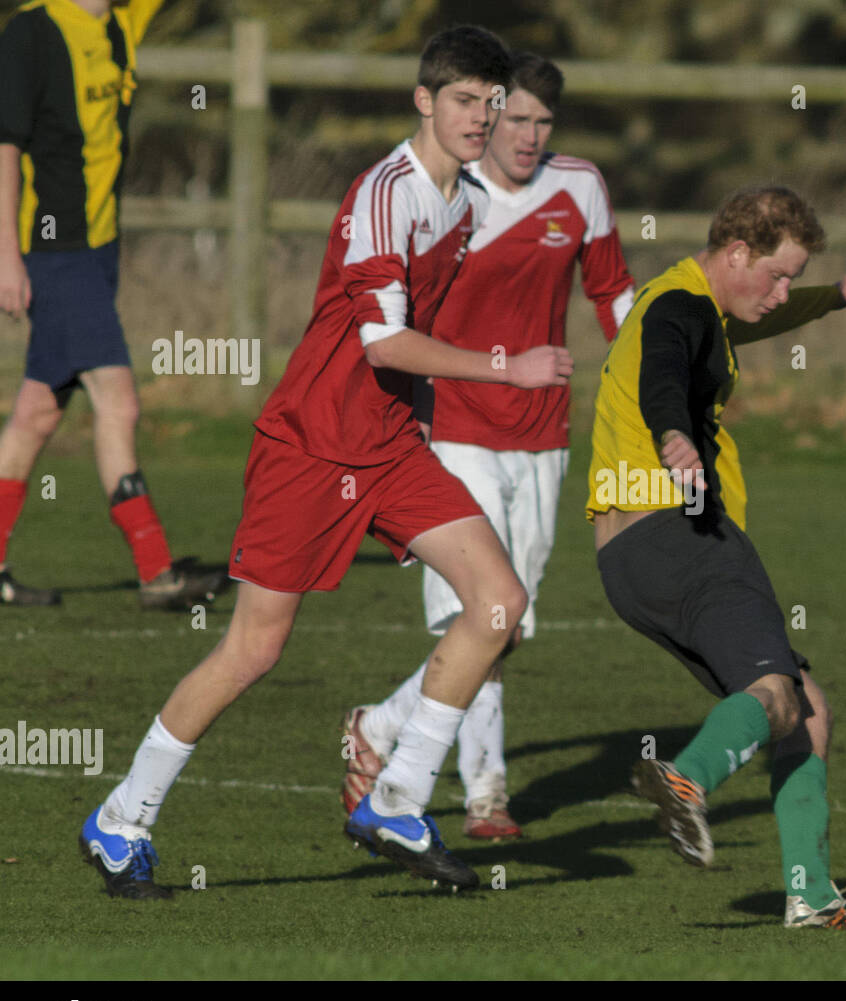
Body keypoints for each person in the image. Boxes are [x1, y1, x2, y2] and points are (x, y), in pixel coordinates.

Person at [78, 25, 573, 899]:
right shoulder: (387, 193)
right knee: (252, 652)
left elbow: (410, 341)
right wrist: (506, 365)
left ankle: (398, 796)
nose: (482, 119)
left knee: (499, 603)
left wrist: (419, 430)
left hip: (388, 449)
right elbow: (384, 342)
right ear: (424, 99)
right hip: (312, 446)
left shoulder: (465, 204)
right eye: (465, 100)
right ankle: (121, 820)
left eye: (493, 105)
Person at [342, 52, 635, 841]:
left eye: (544, 121)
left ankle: (380, 724)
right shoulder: (447, 195)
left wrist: (651, 380)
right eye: (515, 118)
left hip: (542, 436)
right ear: (484, 119)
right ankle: (485, 796)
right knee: (485, 614)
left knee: (509, 619)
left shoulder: (580, 188)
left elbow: (613, 291)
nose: (529, 135)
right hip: (452, 428)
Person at [586, 185, 846, 930]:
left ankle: (810, 894)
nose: (781, 289)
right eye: (777, 273)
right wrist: (674, 432)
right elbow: (665, 370)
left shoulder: (688, 301)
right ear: (735, 254)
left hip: (628, 560)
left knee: (806, 709)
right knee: (780, 697)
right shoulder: (680, 312)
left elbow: (746, 318)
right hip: (686, 535)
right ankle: (688, 780)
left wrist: (833, 298)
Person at [0, 0, 228, 611]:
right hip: (52, 249)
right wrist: (5, 255)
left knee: (36, 417)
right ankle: (156, 571)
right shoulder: (33, 31)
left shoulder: (122, 21)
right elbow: (4, 149)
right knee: (119, 402)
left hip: (98, 252)